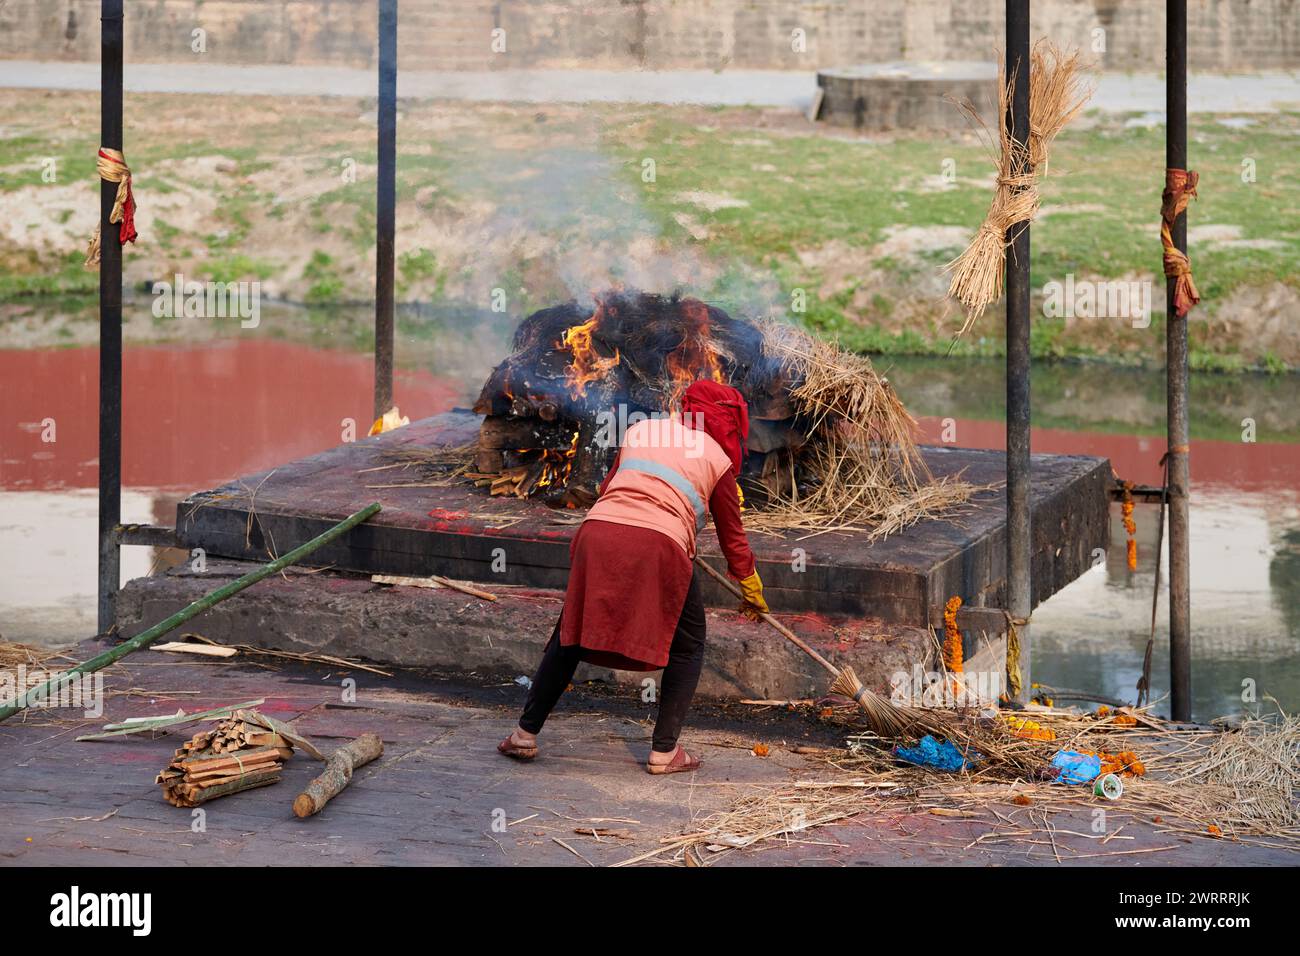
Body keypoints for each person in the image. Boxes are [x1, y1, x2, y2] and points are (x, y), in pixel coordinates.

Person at [497, 380, 767, 774]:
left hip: (598, 531)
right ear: (728, 421)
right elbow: (733, 538)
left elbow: (609, 488)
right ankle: (664, 752)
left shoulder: (641, 430)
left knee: (570, 632)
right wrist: (750, 587)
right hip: (661, 545)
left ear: (685, 406)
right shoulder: (716, 457)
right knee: (689, 644)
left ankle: (524, 735)